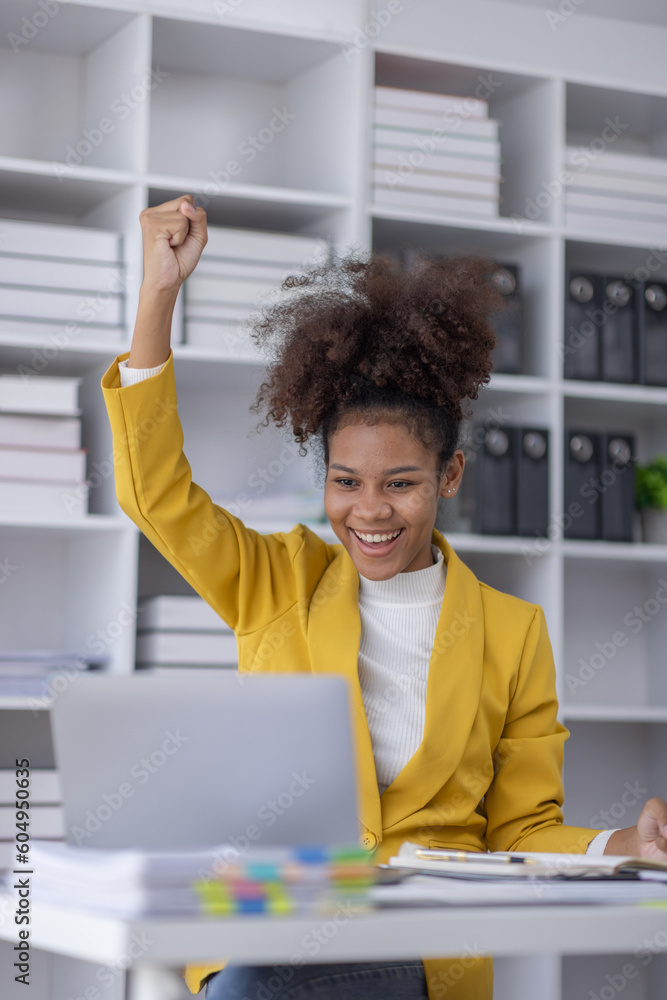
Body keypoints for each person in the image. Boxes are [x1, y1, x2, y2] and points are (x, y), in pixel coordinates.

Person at [101, 195, 667, 1000]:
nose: (367, 512)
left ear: (449, 477)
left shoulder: (512, 632)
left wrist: (625, 846)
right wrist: (158, 293)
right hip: (270, 918)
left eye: (399, 484)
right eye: (345, 483)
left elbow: (522, 831)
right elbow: (154, 495)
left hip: (414, 943)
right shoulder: (276, 582)